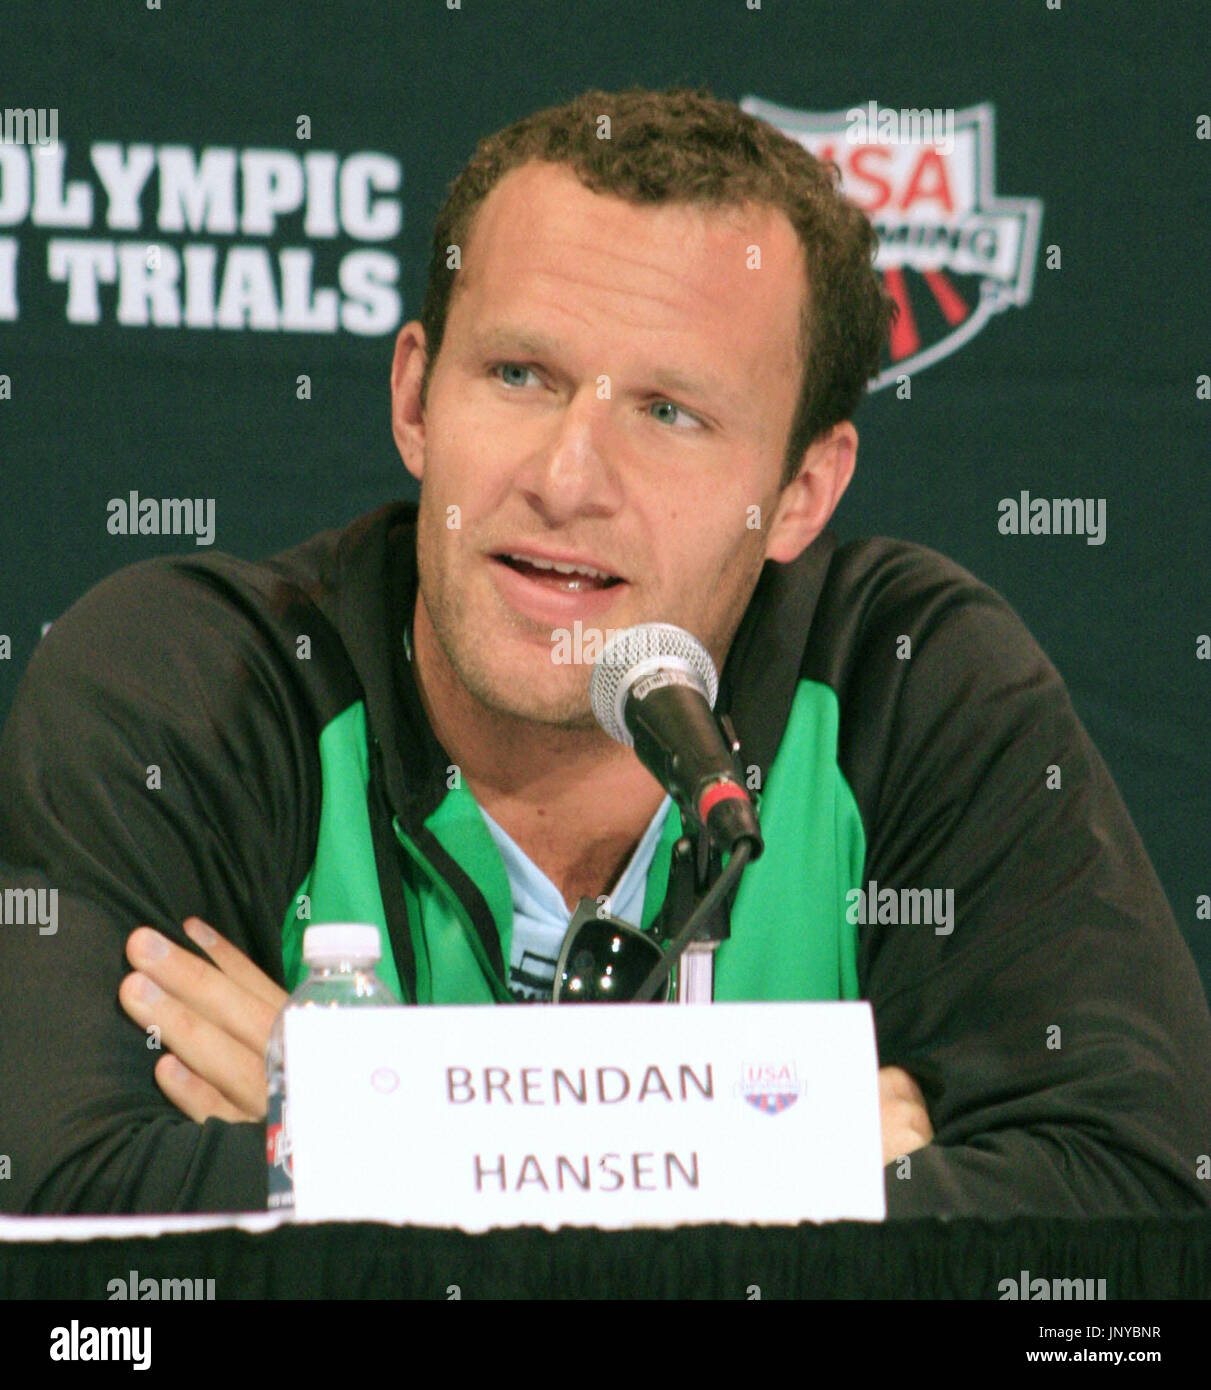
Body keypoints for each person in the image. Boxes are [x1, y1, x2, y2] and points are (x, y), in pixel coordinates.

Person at [1, 86, 1208, 1217]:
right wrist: (797, 1159)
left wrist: (353, 1127)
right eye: (519, 374)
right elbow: (57, 1219)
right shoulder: (182, 685)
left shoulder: (909, 683)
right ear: (415, 400)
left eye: (669, 413)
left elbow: (1133, 1211)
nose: (567, 480)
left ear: (800, 488)